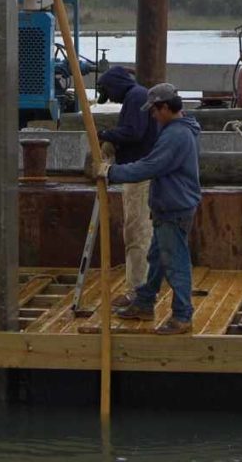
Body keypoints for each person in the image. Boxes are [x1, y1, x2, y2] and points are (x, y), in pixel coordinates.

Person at [96, 83, 202, 335]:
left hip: (173, 208)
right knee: (157, 259)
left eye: (154, 111)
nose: (152, 116)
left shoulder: (175, 135)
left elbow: (150, 166)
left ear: (165, 108)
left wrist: (111, 172)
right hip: (172, 205)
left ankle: (182, 316)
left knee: (175, 262)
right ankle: (144, 303)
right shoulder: (179, 130)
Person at [95, 66, 159, 308]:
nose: (110, 99)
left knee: (137, 233)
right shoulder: (137, 96)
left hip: (139, 177)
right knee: (140, 233)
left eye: (109, 93)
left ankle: (138, 292)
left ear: (116, 86)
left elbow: (133, 132)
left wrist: (106, 134)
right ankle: (143, 288)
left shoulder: (135, 97)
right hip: (137, 174)